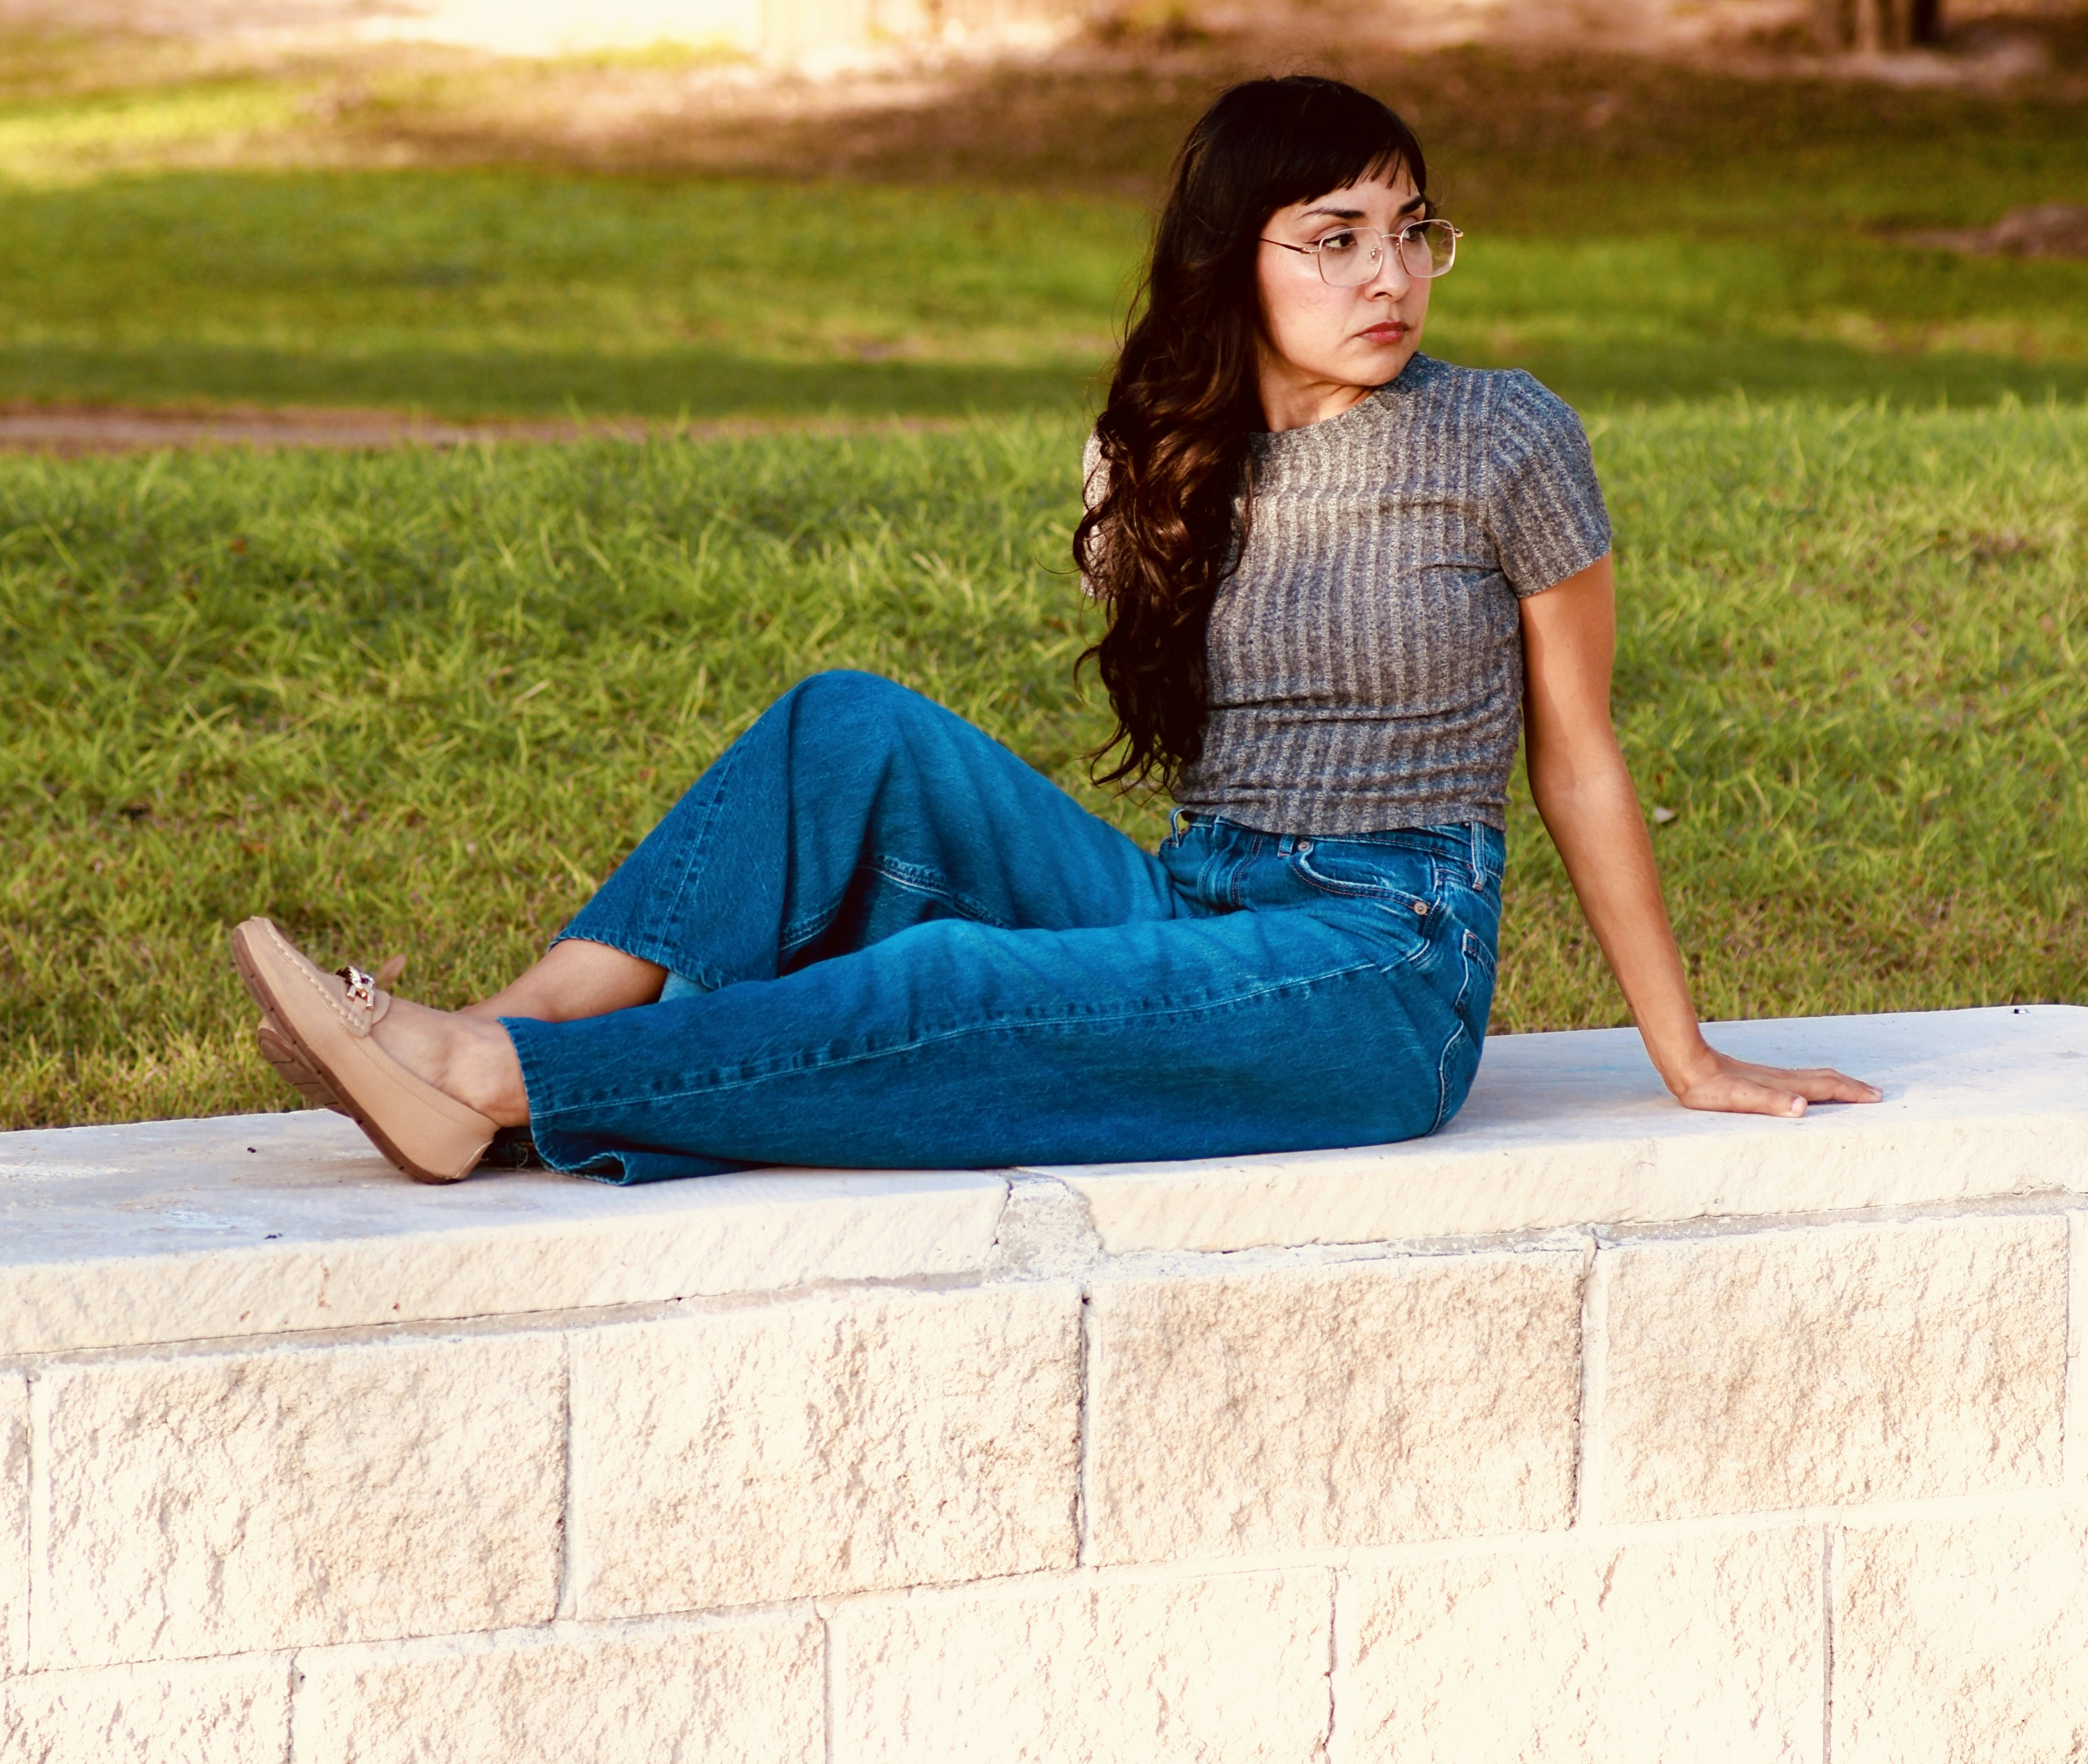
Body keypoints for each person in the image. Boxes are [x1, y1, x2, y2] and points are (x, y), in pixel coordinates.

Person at [233, 74, 1878, 1184]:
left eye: (1410, 229)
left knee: (954, 978)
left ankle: (504, 1079)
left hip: (1382, 969)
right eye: (1336, 236)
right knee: (846, 724)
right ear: (1232, 262)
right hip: (1201, 891)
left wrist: (1691, 1055)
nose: (1392, 275)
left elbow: (1580, 758)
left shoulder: (1503, 436)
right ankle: (493, 1038)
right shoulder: (1161, 455)